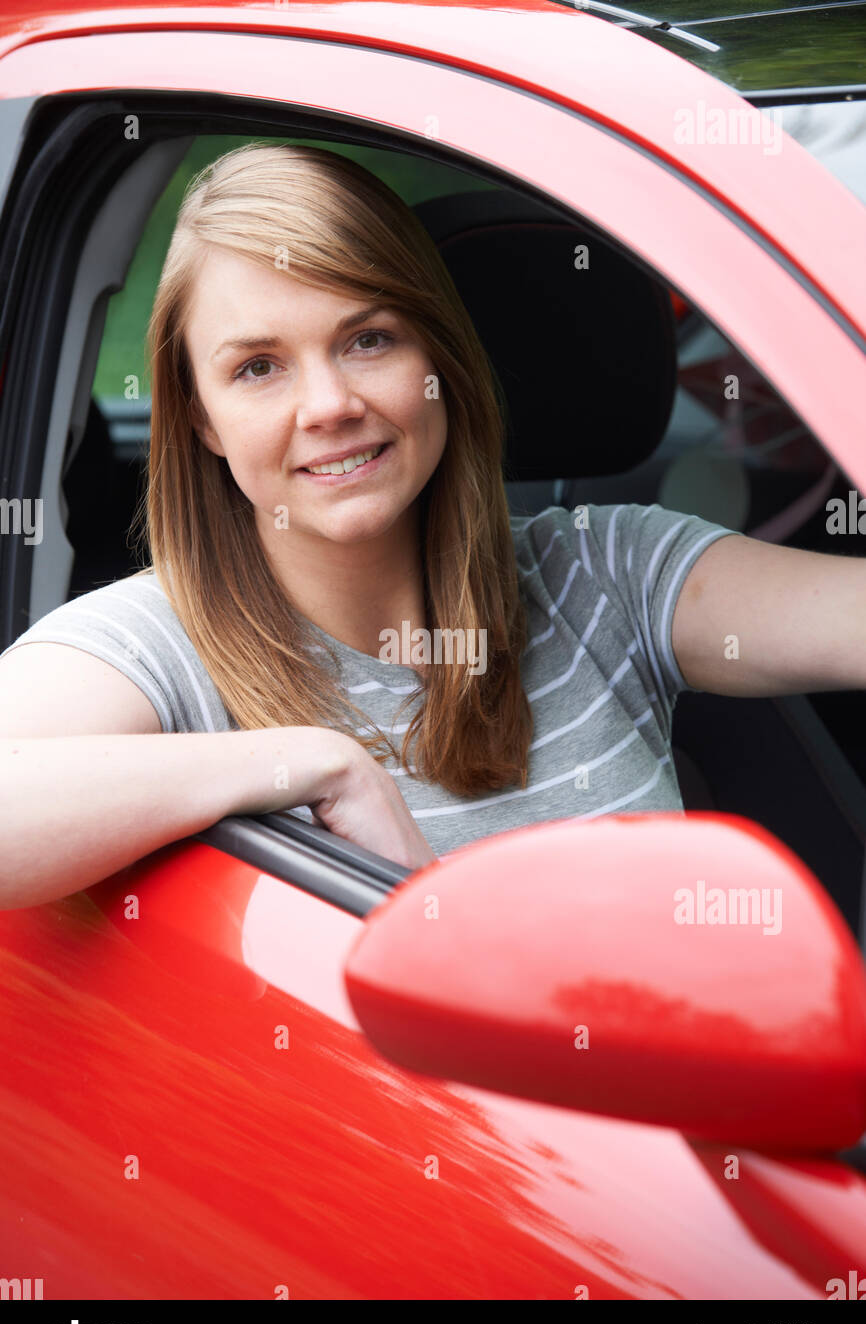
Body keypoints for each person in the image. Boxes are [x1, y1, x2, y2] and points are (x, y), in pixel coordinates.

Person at [1, 142, 863, 910]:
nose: (332, 404)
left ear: (438, 360)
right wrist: (313, 764)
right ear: (200, 420)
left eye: (369, 339)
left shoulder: (602, 575)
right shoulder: (157, 647)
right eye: (259, 367)